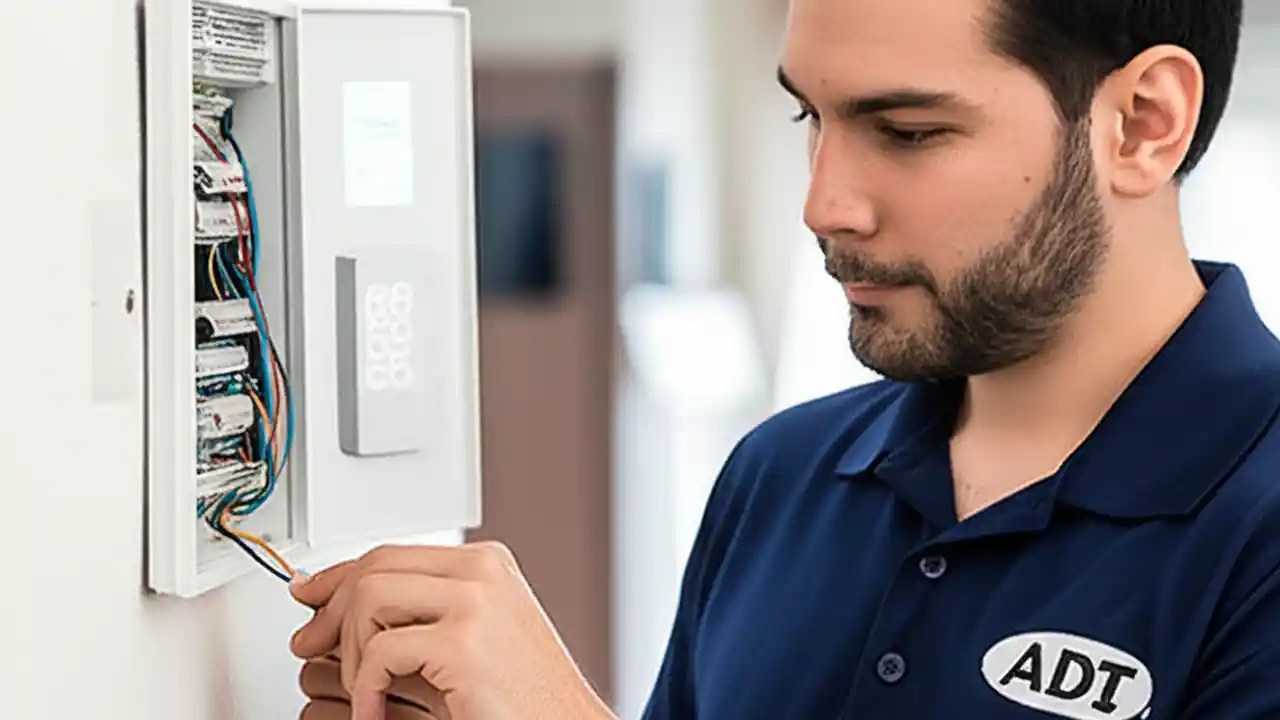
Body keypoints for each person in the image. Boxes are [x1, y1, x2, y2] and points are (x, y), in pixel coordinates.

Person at [289, 0, 1280, 717]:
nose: (823, 203)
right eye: (809, 116)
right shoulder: (781, 473)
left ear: (1141, 123)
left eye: (905, 130)